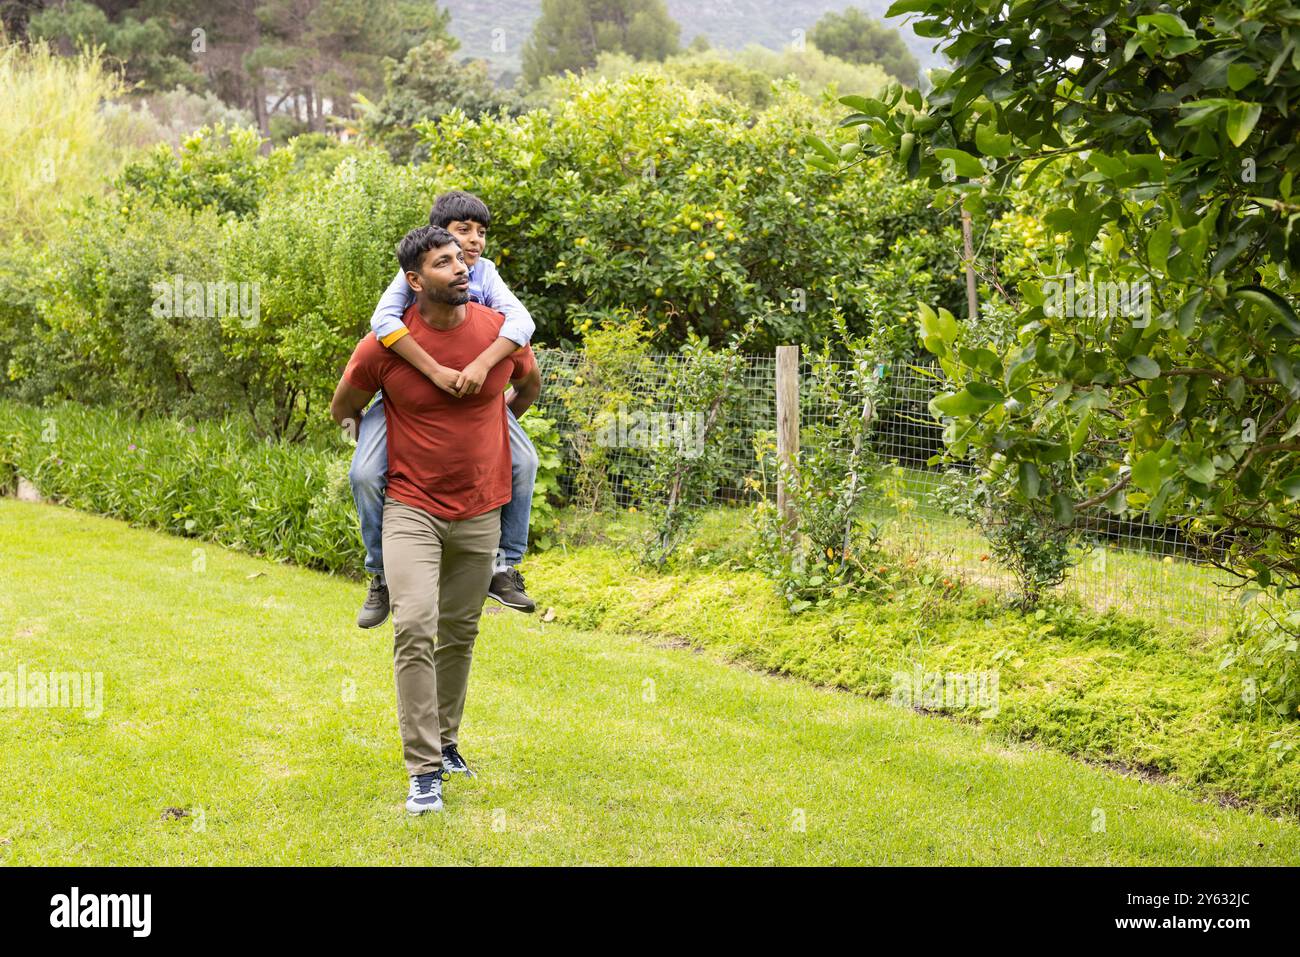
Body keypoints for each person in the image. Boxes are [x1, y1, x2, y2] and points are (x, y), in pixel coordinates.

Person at [331, 224, 541, 814]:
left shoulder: (498, 331)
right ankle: (424, 770)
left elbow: (529, 381)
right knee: (414, 625)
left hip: (480, 511)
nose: (462, 266)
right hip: (410, 508)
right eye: (446, 261)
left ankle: (447, 744)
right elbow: (343, 407)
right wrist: (380, 434)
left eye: (462, 257)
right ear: (415, 281)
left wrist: (500, 425)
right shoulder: (385, 346)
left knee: (460, 633)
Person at [351, 191, 540, 628]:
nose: (473, 242)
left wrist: (486, 384)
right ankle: (379, 572)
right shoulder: (412, 276)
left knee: (524, 460)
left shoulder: (485, 273)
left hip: (479, 397)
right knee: (363, 474)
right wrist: (434, 371)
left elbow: (522, 323)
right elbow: (383, 324)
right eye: (462, 232)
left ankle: (504, 565)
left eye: (480, 233)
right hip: (407, 394)